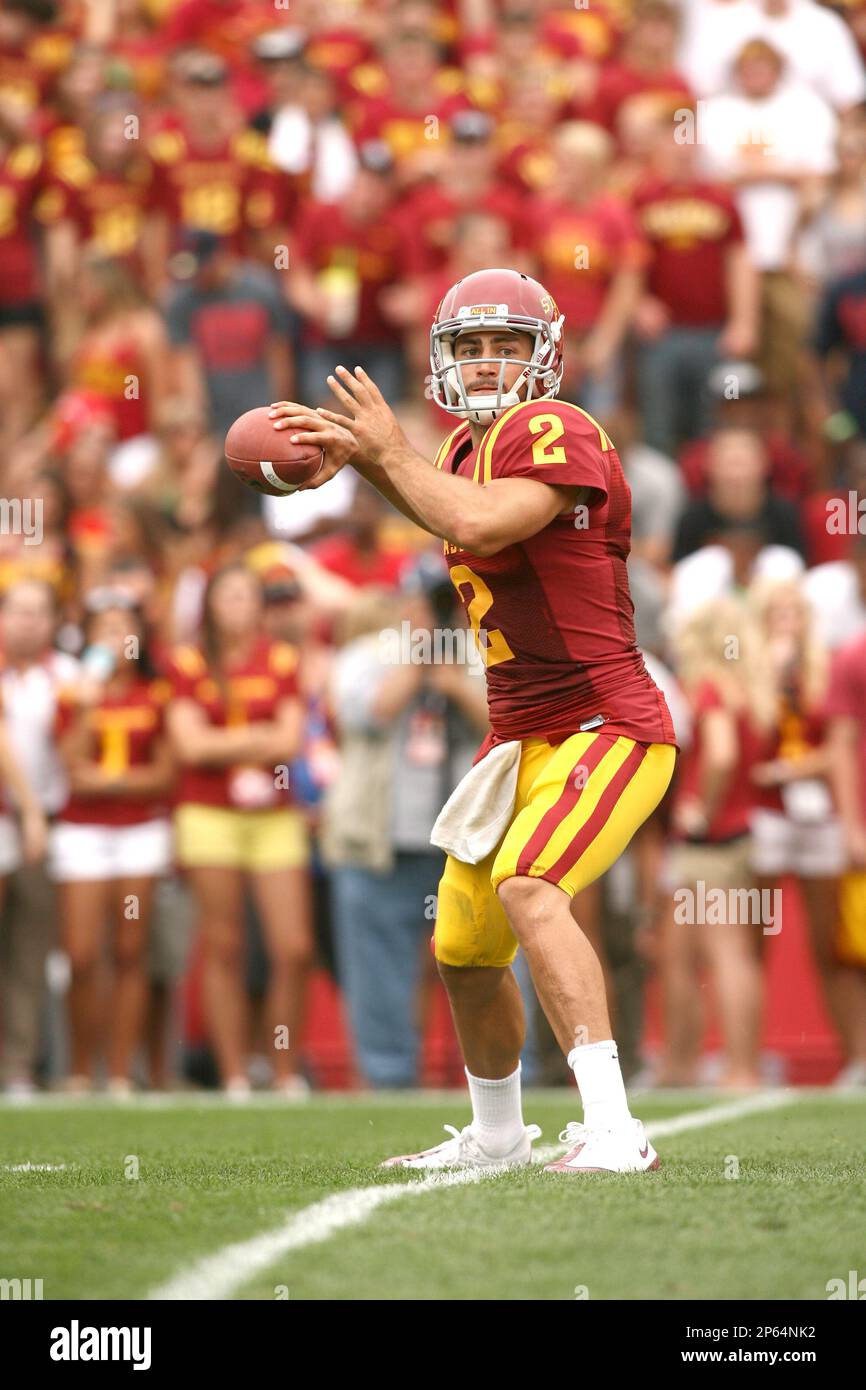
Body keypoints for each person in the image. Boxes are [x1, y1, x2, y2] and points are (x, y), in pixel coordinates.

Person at [269, 266, 678, 1174]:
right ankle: (498, 1138)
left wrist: (385, 455)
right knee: (462, 943)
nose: (488, 364)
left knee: (532, 889)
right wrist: (370, 462)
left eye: (506, 345)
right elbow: (447, 508)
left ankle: (614, 1128)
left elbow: (486, 525)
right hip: (519, 734)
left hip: (603, 721)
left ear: (545, 356)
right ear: (443, 357)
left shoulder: (556, 428)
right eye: (471, 346)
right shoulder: (457, 450)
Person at [164, 563, 313, 1097]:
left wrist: (226, 739)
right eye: (226, 596)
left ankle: (284, 1069)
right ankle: (232, 1074)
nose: (237, 607)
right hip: (208, 813)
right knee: (223, 945)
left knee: (292, 946)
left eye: (246, 597)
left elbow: (291, 740)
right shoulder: (186, 662)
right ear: (209, 606)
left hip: (272, 814)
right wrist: (258, 736)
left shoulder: (282, 659)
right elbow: (189, 747)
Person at [52, 593, 174, 1093]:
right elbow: (70, 766)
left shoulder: (156, 692)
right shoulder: (73, 694)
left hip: (139, 830)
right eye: (106, 628)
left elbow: (165, 774)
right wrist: (88, 699)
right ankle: (82, 1067)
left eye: (125, 626)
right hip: (83, 830)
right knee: (81, 954)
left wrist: (113, 783)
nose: (117, 638)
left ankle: (121, 1070)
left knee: (130, 950)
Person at [0, 579, 78, 1096]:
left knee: (30, 951)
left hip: (49, 823)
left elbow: (75, 757)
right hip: (16, 817)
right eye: (18, 611)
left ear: (53, 622)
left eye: (38, 612)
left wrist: (35, 816)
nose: (28, 621)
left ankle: (18, 1066)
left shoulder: (69, 678)